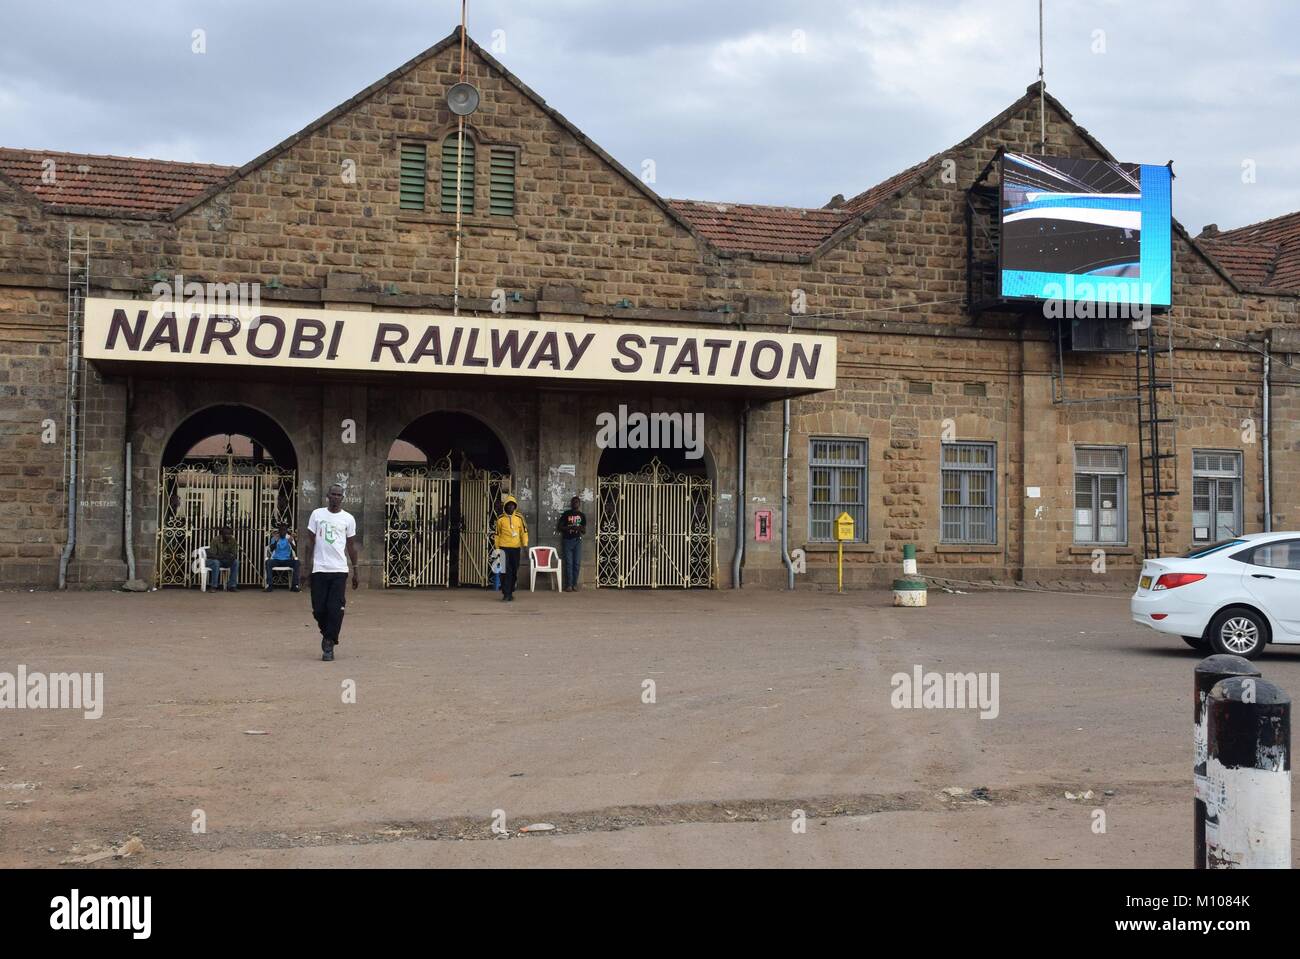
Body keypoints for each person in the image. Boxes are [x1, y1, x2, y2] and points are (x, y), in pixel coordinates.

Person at [302, 483, 358, 661]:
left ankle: (328, 643)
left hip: (339, 570)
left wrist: (356, 570)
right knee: (318, 609)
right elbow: (310, 543)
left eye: (338, 495)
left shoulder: (348, 519)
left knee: (335, 608)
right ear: (327, 495)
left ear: (342, 498)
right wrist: (305, 567)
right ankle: (328, 633)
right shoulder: (317, 515)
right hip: (319, 569)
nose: (335, 497)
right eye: (332, 494)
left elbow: (351, 545)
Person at [493, 494, 528, 602]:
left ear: (515, 506)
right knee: (504, 571)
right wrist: (497, 548)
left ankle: (511, 590)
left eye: (512, 505)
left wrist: (525, 544)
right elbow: (497, 534)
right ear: (505, 506)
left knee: (513, 570)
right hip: (503, 548)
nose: (510, 507)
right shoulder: (500, 519)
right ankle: (506, 593)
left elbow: (524, 532)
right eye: (508, 505)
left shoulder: (519, 518)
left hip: (515, 548)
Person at [556, 495, 587, 592]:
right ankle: (568, 585)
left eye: (577, 502)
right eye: (574, 502)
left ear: (579, 504)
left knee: (576, 563)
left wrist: (579, 528)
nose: (575, 504)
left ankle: (574, 584)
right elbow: (560, 527)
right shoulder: (566, 514)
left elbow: (584, 530)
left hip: (577, 541)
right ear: (571, 503)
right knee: (569, 563)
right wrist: (569, 528)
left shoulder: (582, 515)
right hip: (567, 540)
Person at [264, 522, 300, 592]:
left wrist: (291, 543)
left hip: (287, 560)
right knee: (268, 562)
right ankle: (270, 585)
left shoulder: (289, 538)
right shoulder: (275, 538)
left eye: (284, 530)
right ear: (279, 531)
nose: (283, 532)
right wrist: (276, 542)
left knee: (297, 563)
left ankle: (294, 586)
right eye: (281, 530)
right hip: (276, 560)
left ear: (286, 531)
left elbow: (296, 550)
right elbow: (271, 549)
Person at [205, 525, 240, 592]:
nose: (228, 536)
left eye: (230, 534)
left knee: (236, 562)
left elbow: (234, 554)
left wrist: (231, 558)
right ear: (222, 534)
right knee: (216, 562)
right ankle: (213, 586)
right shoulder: (215, 540)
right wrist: (223, 556)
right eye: (226, 534)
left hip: (225, 561)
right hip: (212, 561)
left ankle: (232, 586)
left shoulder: (233, 540)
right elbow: (211, 555)